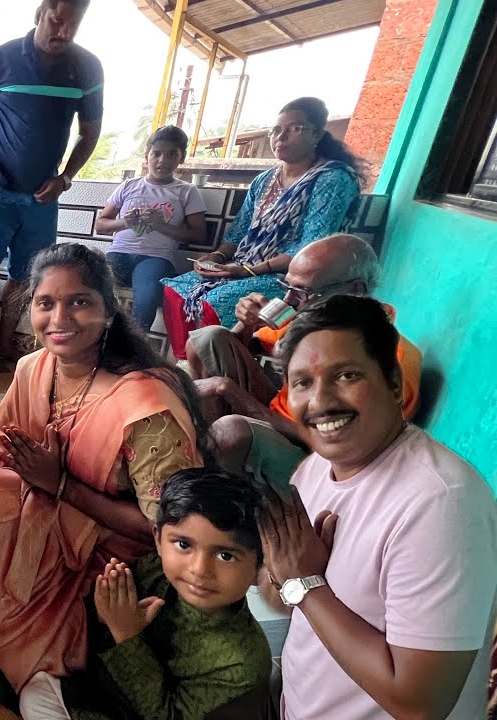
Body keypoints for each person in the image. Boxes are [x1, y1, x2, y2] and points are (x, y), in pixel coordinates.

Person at [0, 242, 206, 693]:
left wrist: (61, 485)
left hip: (110, 549)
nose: (59, 318)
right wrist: (36, 487)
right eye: (46, 303)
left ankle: (46, 624)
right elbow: (4, 455)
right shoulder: (32, 368)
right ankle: (1, 597)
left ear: (109, 312)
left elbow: (167, 532)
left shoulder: (144, 408)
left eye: (79, 302)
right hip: (45, 510)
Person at [260, 296, 497, 719]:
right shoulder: (314, 471)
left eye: (346, 375)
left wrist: (305, 585)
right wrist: (283, 579)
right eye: (302, 383)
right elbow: (277, 591)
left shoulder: (439, 504)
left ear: (392, 381)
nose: (321, 402)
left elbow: (420, 705)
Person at [20, 469, 272, 719]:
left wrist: (127, 634)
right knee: (36, 692)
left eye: (225, 555)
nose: (199, 570)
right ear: (159, 540)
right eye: (184, 545)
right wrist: (106, 615)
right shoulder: (152, 571)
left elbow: (167, 715)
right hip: (104, 701)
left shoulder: (243, 661)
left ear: (259, 567)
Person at [189, 234, 423, 487]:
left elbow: (342, 446)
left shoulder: (387, 358)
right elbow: (238, 345)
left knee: (231, 431)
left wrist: (234, 394)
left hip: (317, 456)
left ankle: (220, 480)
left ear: (355, 290)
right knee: (208, 339)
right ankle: (210, 454)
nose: (289, 300)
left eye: (303, 291)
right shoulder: (317, 318)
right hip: (278, 415)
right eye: (287, 286)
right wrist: (246, 325)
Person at [0, 0, 103, 368]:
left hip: (42, 196)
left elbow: (89, 133)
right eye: (56, 21)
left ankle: (5, 340)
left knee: (30, 275)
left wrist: (65, 178)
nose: (63, 32)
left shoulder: (87, 68)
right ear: (39, 15)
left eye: (73, 25)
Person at [161, 97, 362, 359]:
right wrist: (216, 257)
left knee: (215, 300)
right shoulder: (264, 179)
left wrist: (247, 271)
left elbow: (311, 248)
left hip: (291, 280)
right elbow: (238, 231)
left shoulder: (332, 179)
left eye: (295, 128)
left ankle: (213, 367)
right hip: (243, 266)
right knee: (175, 289)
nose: (281, 136)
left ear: (318, 134)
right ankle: (186, 362)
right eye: (276, 130)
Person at [96, 126, 206, 329]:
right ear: (147, 156)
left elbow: (198, 235)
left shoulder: (186, 191)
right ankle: (94, 341)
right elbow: (100, 225)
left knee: (147, 298)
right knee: (94, 288)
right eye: (156, 153)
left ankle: (133, 350)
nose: (162, 160)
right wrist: (126, 222)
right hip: (119, 253)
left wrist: (160, 225)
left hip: (157, 258)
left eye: (172, 154)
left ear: (181, 158)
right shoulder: (129, 186)